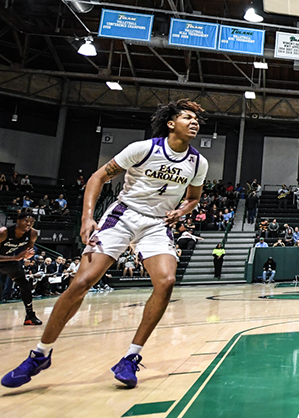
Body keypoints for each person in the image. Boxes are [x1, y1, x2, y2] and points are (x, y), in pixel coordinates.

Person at [3, 100, 208, 390]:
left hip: (156, 224)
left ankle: (130, 357)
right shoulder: (144, 148)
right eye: (187, 117)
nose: (195, 121)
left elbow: (194, 197)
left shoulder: (198, 161)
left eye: (197, 118)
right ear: (171, 123)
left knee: (167, 281)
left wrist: (182, 211)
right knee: (82, 281)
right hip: (123, 215)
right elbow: (98, 177)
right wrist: (88, 217)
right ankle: (40, 354)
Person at [0, 209, 42, 326]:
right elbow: (17, 257)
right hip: (9, 258)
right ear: (18, 221)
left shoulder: (32, 234)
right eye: (25, 221)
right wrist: (15, 258)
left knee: (25, 285)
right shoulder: (4, 232)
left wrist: (27, 255)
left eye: (31, 222)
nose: (28, 224)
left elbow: (28, 250)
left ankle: (30, 316)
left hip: (10, 261)